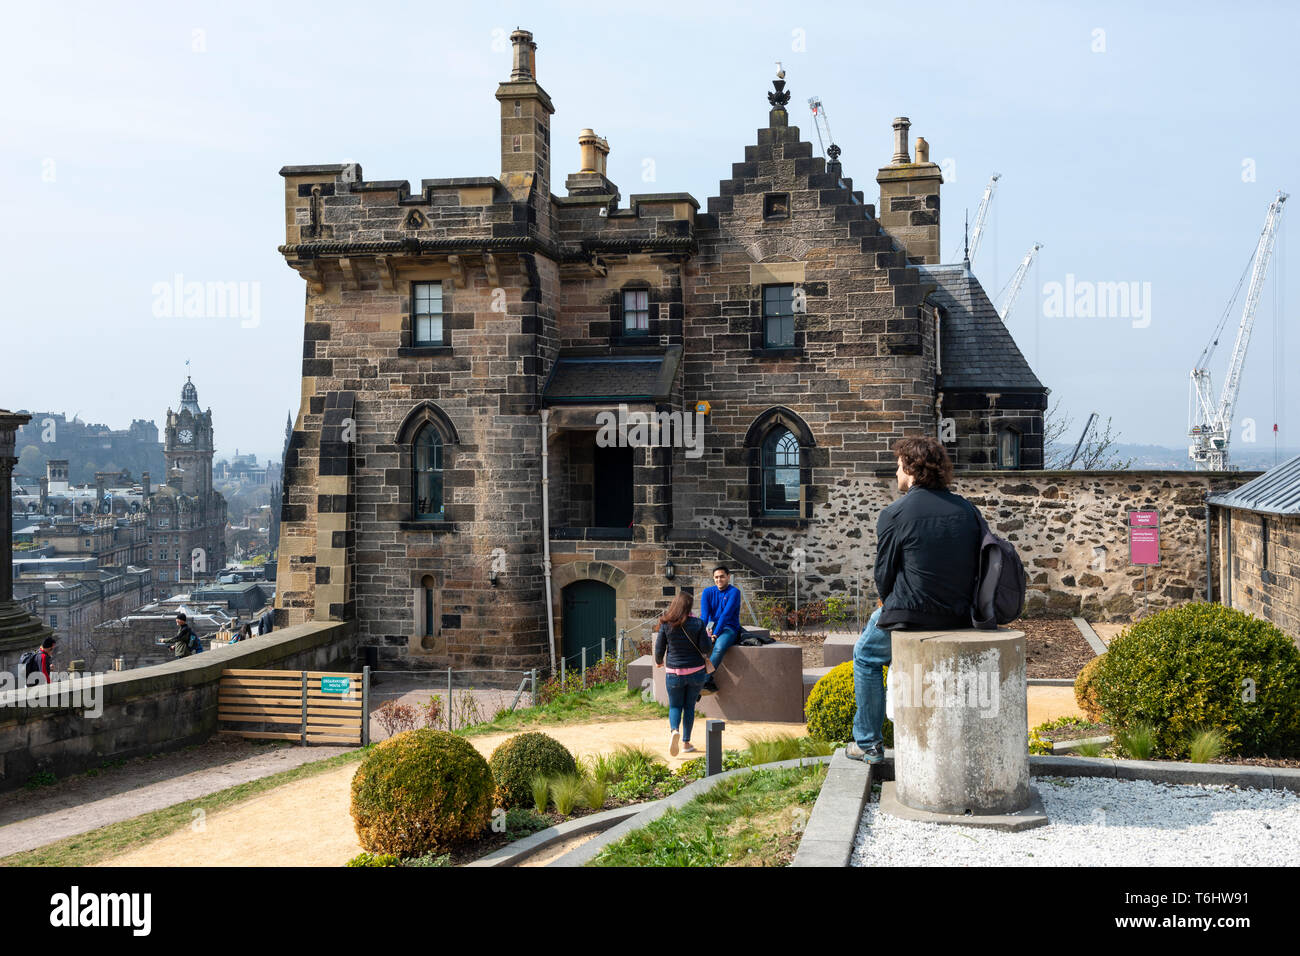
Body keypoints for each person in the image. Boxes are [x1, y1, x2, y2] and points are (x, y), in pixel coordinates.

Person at [847, 437, 982, 764]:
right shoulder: (967, 510)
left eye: (898, 465)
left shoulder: (895, 513)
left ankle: (867, 743)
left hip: (911, 614)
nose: (896, 473)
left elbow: (883, 576)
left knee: (864, 654)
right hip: (962, 615)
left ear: (911, 468)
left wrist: (889, 603)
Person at [654, 592, 714, 756]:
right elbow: (706, 649)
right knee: (689, 706)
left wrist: (659, 661)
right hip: (696, 672)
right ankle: (686, 743)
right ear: (689, 606)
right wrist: (708, 636)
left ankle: (674, 731)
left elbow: (659, 648)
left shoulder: (666, 624)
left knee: (675, 706)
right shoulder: (698, 623)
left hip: (674, 672)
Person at [698, 565, 742, 696]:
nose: (719, 579)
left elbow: (725, 615)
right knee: (699, 647)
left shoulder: (734, 592)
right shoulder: (707, 592)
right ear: (713, 578)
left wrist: (715, 634)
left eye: (722, 576)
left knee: (718, 647)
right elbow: (704, 616)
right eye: (716, 577)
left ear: (728, 577)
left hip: (729, 627)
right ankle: (697, 681)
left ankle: (705, 681)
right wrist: (700, 632)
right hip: (711, 627)